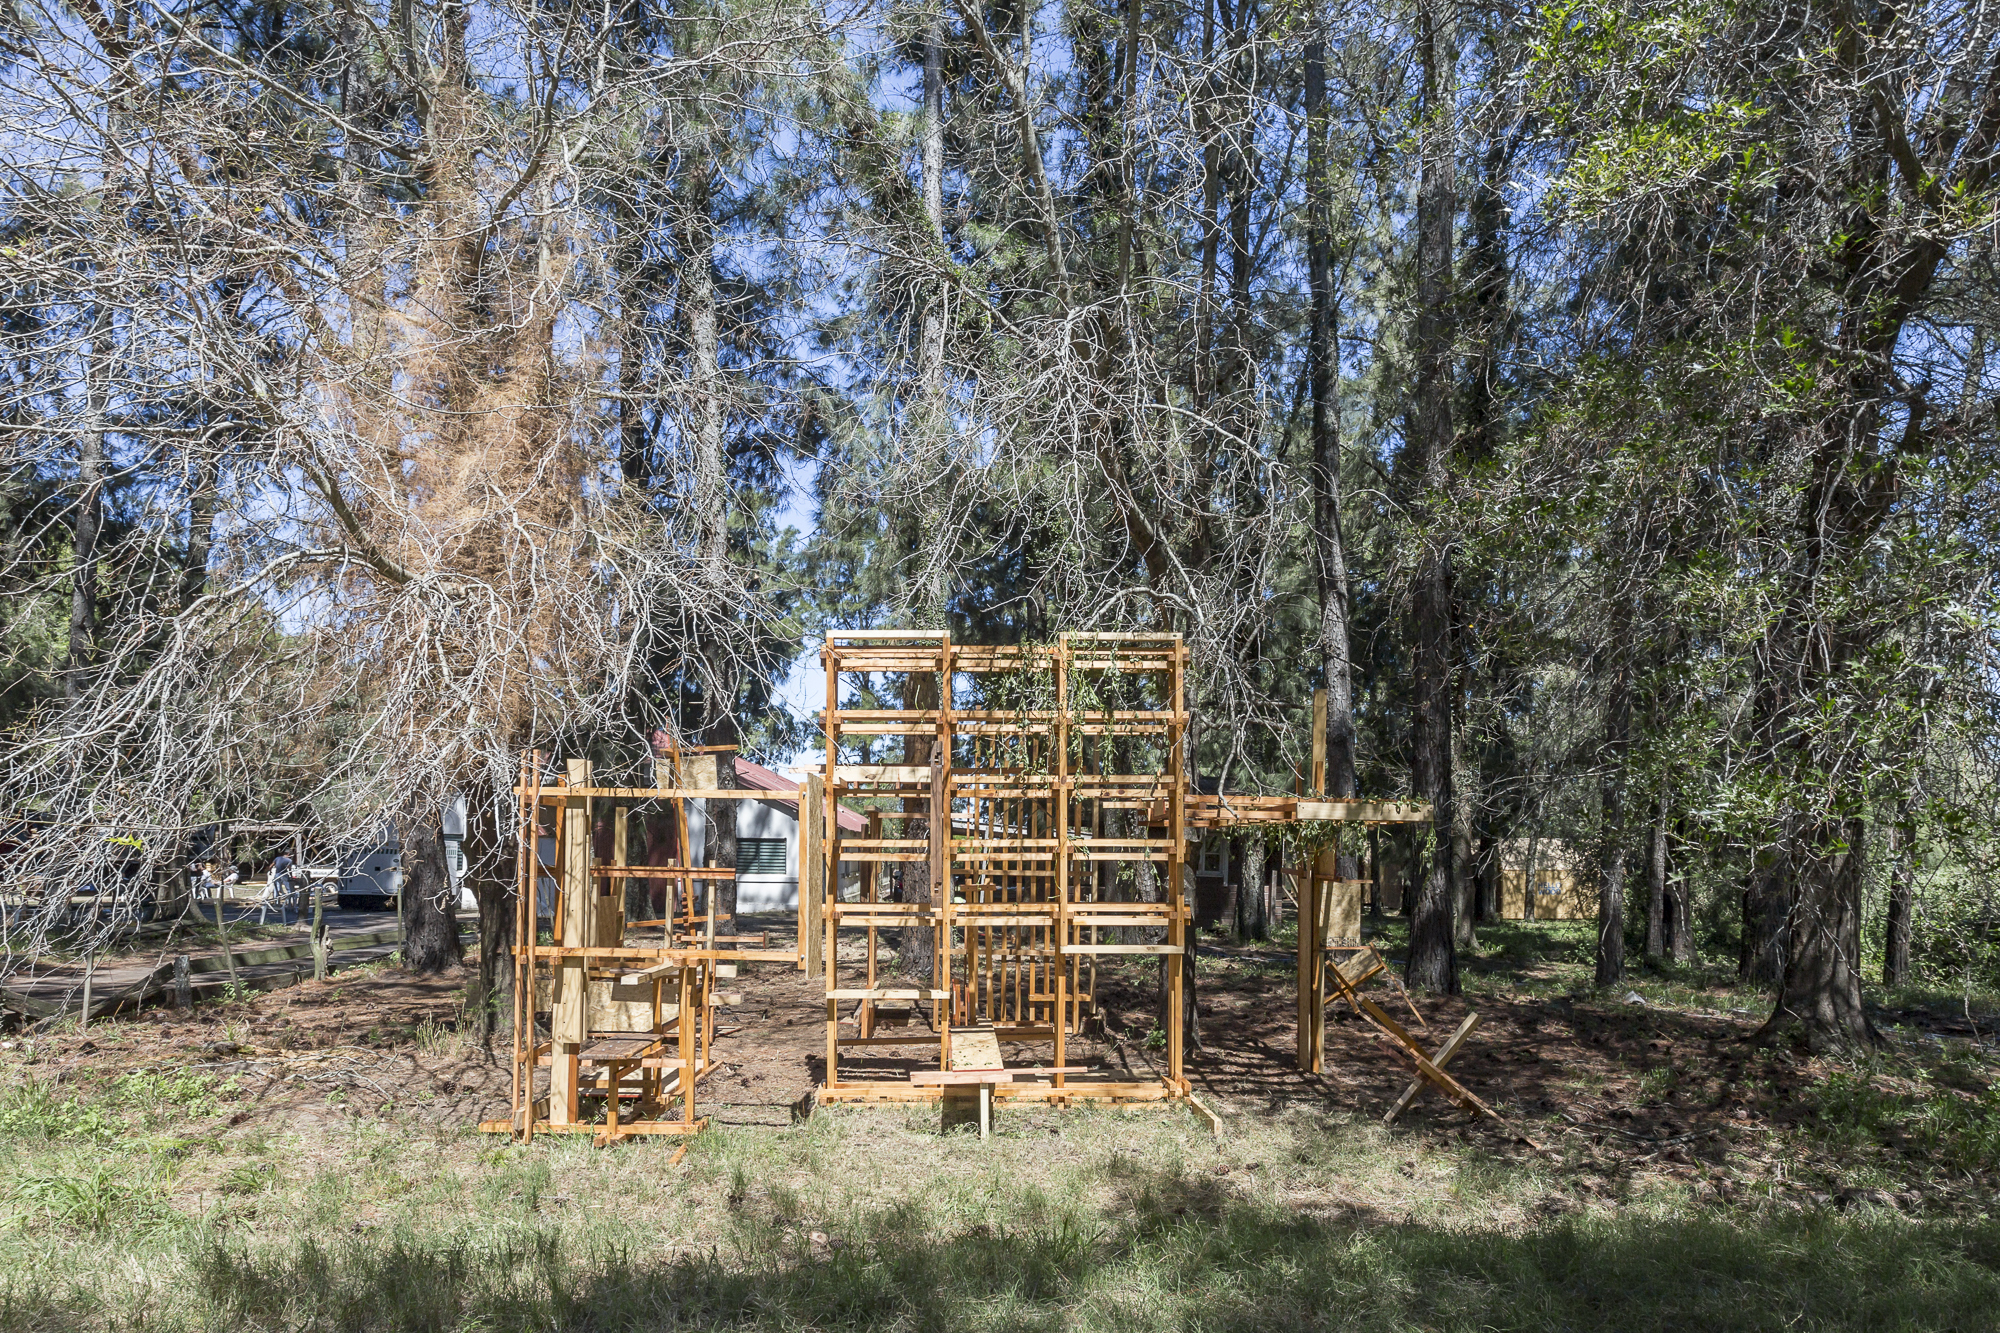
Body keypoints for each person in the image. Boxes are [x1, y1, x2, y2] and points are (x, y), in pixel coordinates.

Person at [270, 851, 296, 925]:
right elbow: (289, 869)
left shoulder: (277, 858)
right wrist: (290, 876)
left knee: (276, 889)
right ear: (288, 854)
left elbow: (271, 866)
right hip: (284, 875)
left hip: (276, 875)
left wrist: (271, 872)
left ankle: (276, 903)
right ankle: (289, 905)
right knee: (288, 889)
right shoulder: (289, 860)